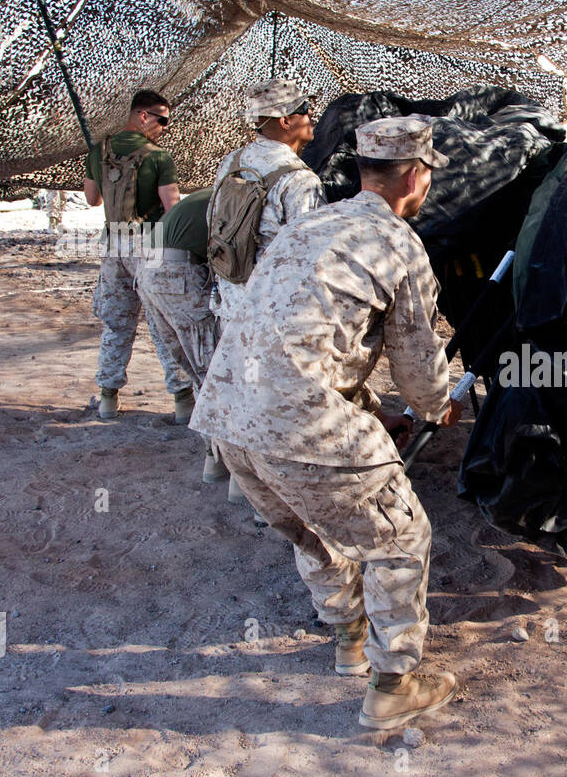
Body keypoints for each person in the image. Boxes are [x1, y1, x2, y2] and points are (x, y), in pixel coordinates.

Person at [191, 116, 463, 730]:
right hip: (302, 424)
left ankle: (347, 640)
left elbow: (298, 336)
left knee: (315, 529)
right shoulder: (397, 241)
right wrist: (434, 405)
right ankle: (394, 682)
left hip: (230, 418)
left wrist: (371, 410)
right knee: (398, 537)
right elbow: (420, 366)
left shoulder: (308, 222)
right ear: (416, 176)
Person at [206, 78, 326, 498]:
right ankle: (262, 494)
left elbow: (214, 226)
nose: (312, 117)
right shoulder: (299, 180)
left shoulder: (231, 162)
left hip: (231, 297)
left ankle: (227, 470)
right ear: (285, 120)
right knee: (274, 400)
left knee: (238, 385)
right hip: (273, 311)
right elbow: (311, 254)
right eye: (305, 109)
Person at [83, 89, 188, 421]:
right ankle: (183, 401)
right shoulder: (159, 158)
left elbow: (92, 200)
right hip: (150, 244)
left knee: (116, 323)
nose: (165, 128)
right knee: (164, 324)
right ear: (143, 115)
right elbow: (172, 208)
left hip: (113, 243)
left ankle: (107, 398)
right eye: (162, 120)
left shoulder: (98, 152)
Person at [135, 187, 226, 479]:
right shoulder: (234, 203)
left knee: (195, 367)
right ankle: (229, 466)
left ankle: (215, 457)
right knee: (216, 370)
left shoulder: (209, 195)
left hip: (149, 273)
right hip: (176, 275)